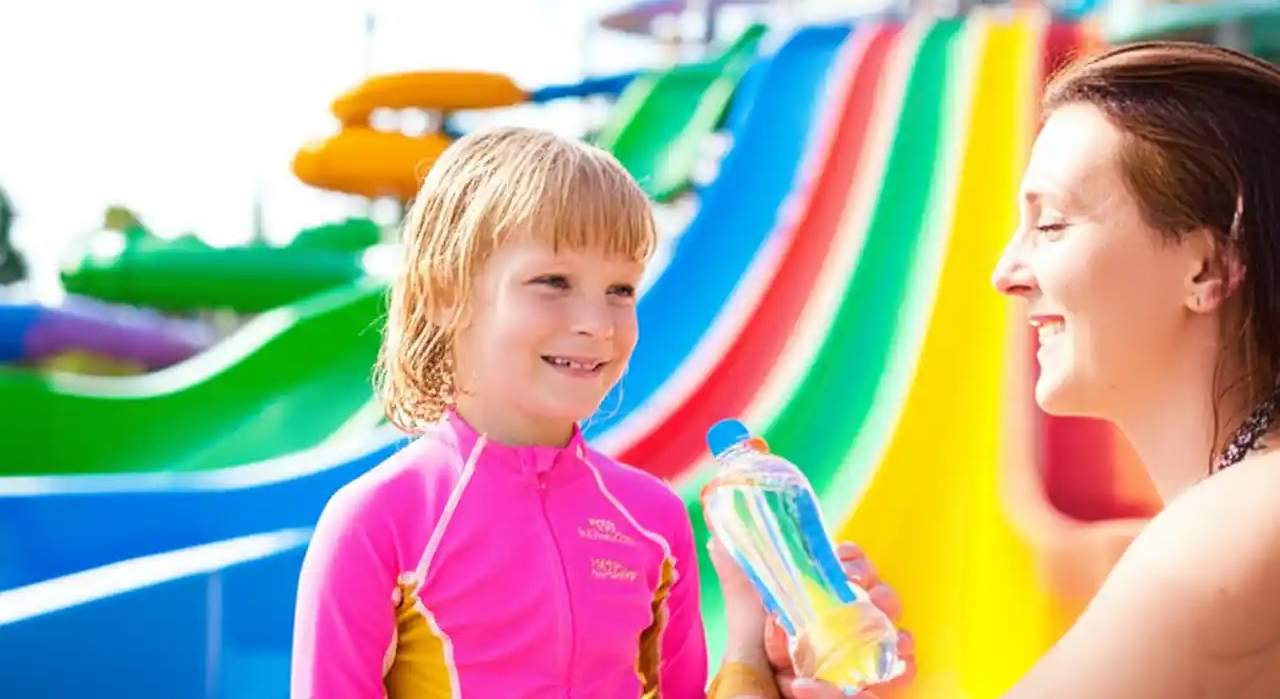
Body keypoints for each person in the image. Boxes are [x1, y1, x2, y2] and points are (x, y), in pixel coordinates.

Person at [719, 39, 1280, 698]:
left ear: (1207, 268)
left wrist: (744, 657)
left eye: (1051, 225)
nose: (1004, 274)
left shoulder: (1227, 530)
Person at [288, 124, 885, 699]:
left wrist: (759, 633)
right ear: (448, 295)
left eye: (620, 291)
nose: (597, 324)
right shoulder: (382, 522)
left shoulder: (653, 522)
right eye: (553, 281)